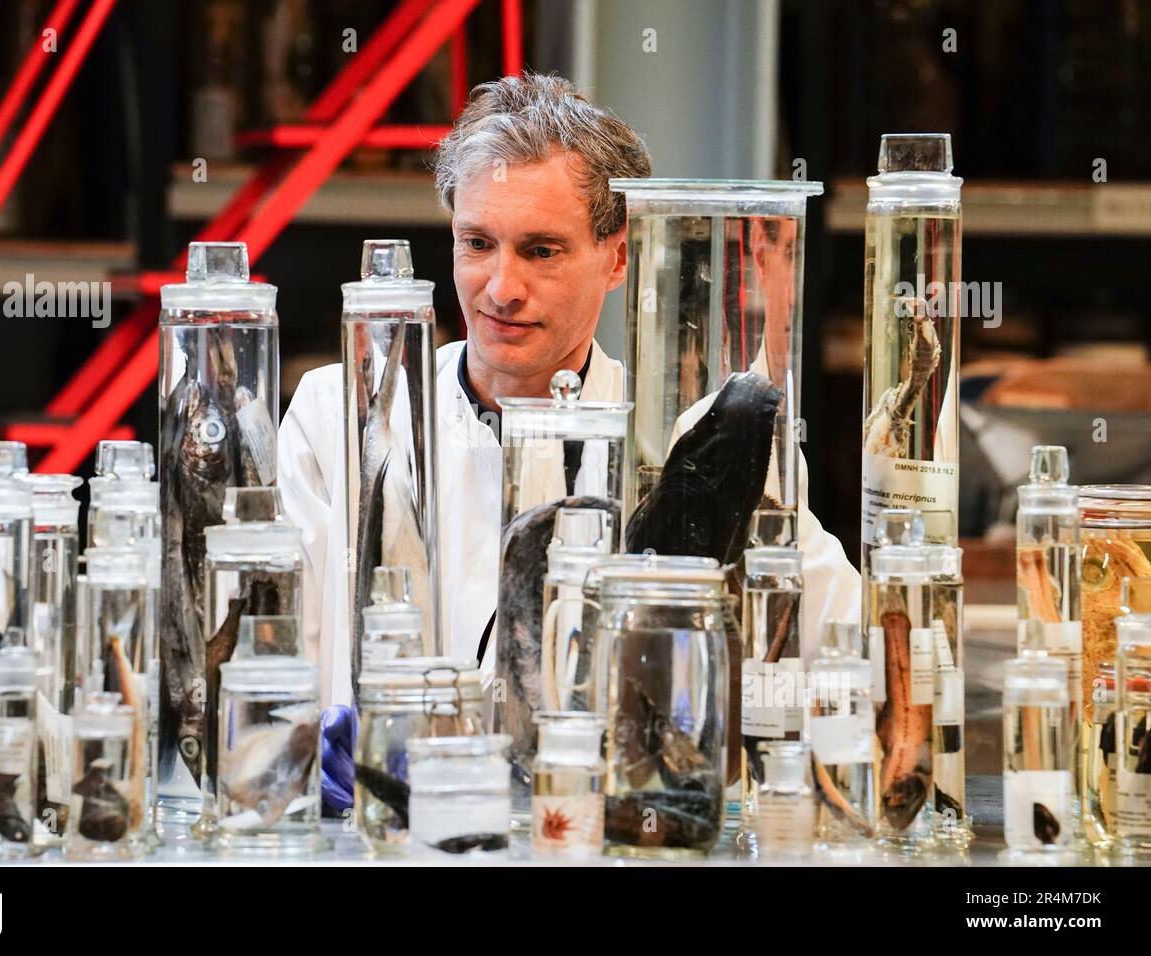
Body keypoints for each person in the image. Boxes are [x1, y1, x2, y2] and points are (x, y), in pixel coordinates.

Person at [277, 73, 861, 811]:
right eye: (478, 243)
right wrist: (300, 738)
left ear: (617, 257)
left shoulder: (692, 445)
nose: (500, 287)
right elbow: (262, 655)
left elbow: (842, 650)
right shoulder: (345, 416)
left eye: (542, 251)